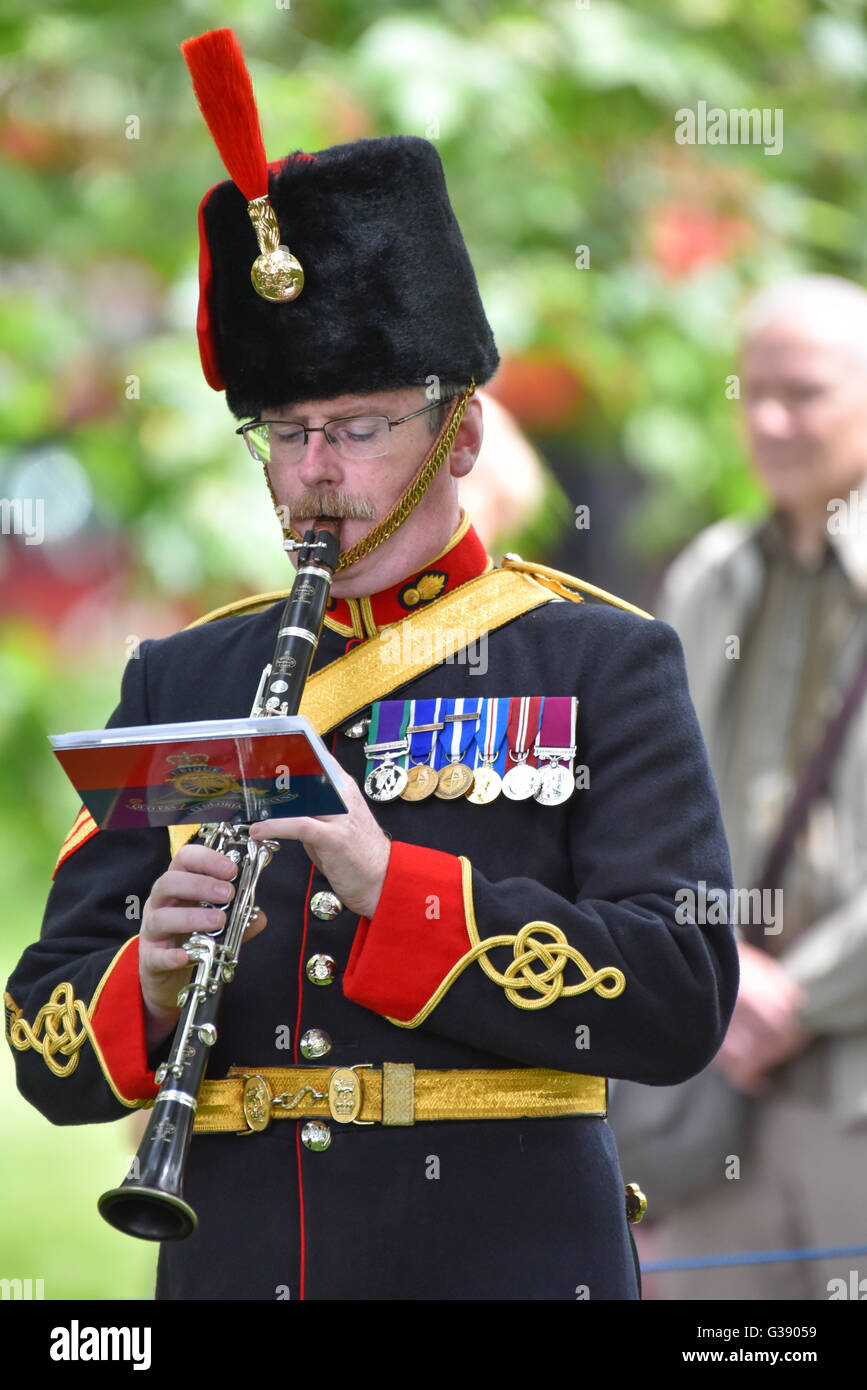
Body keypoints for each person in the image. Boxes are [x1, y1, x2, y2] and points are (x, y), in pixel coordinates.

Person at [4, 27, 737, 1300]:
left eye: (356, 427)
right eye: (282, 434)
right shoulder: (181, 679)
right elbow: (42, 1039)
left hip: (505, 1260)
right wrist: (153, 979)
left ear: (461, 435)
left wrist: (392, 883)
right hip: (232, 1260)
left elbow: (677, 995)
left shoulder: (602, 659)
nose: (316, 476)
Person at [649, 274, 867, 1300]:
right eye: (754, 391)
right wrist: (713, 965)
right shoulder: (708, 575)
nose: (772, 419)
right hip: (717, 1075)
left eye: (807, 392)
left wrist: (803, 991)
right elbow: (646, 806)